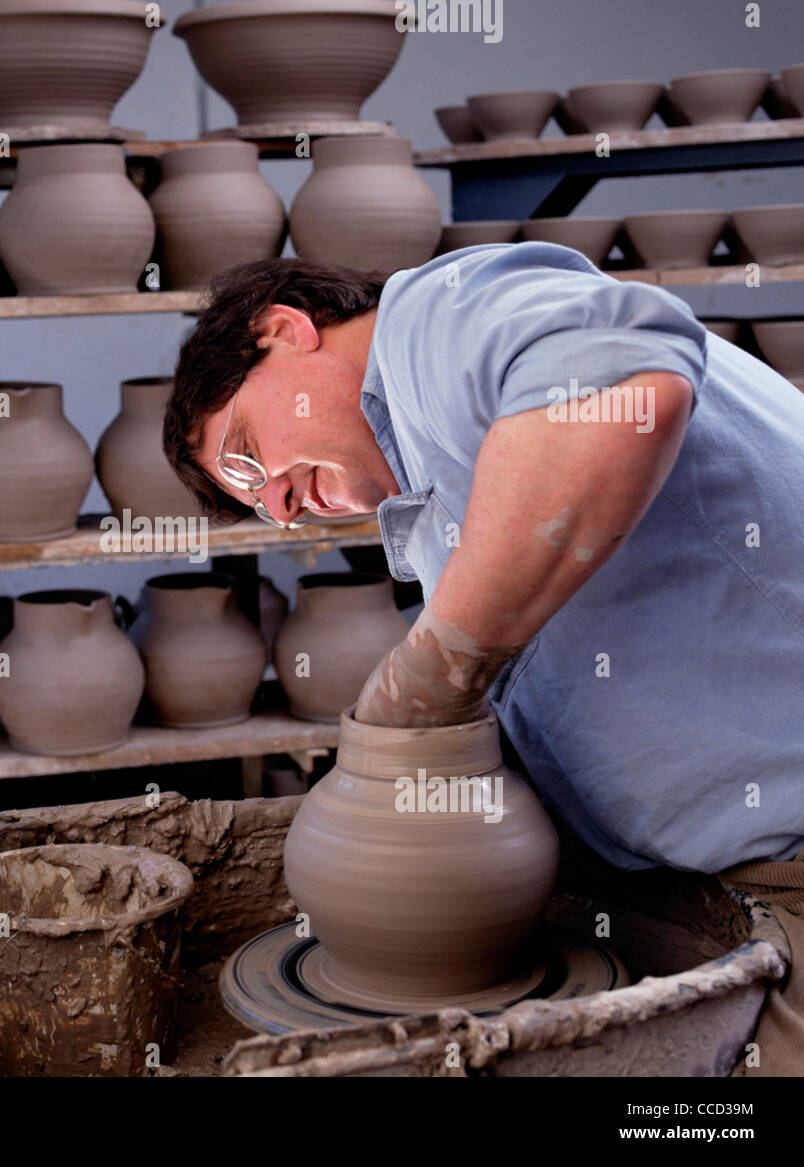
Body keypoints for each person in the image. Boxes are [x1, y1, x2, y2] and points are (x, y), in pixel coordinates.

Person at [163, 243, 804, 1073]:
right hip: (697, 880)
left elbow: (627, 385)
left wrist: (435, 671)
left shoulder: (435, 320)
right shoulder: (438, 480)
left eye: (249, 453)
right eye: (259, 504)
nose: (280, 502)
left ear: (284, 331)